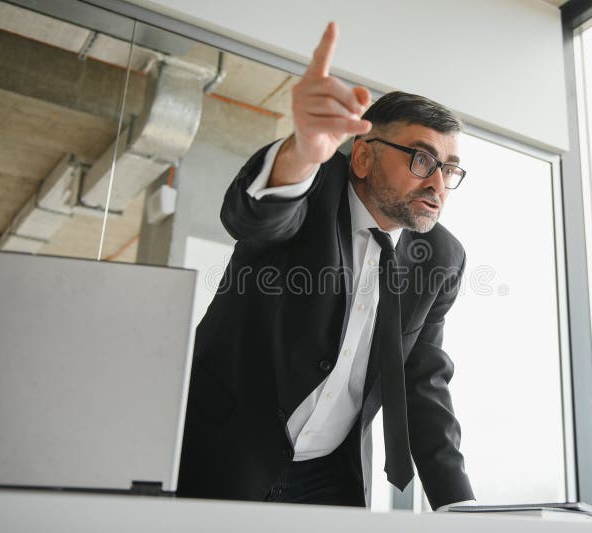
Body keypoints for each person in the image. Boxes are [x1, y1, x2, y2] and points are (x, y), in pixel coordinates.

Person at [178, 21, 474, 510]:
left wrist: (458, 508)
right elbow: (252, 218)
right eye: (422, 159)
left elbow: (423, 383)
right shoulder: (312, 187)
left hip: (330, 476)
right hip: (223, 452)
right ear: (361, 158)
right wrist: (301, 153)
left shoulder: (443, 259)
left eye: (450, 168)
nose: (438, 182)